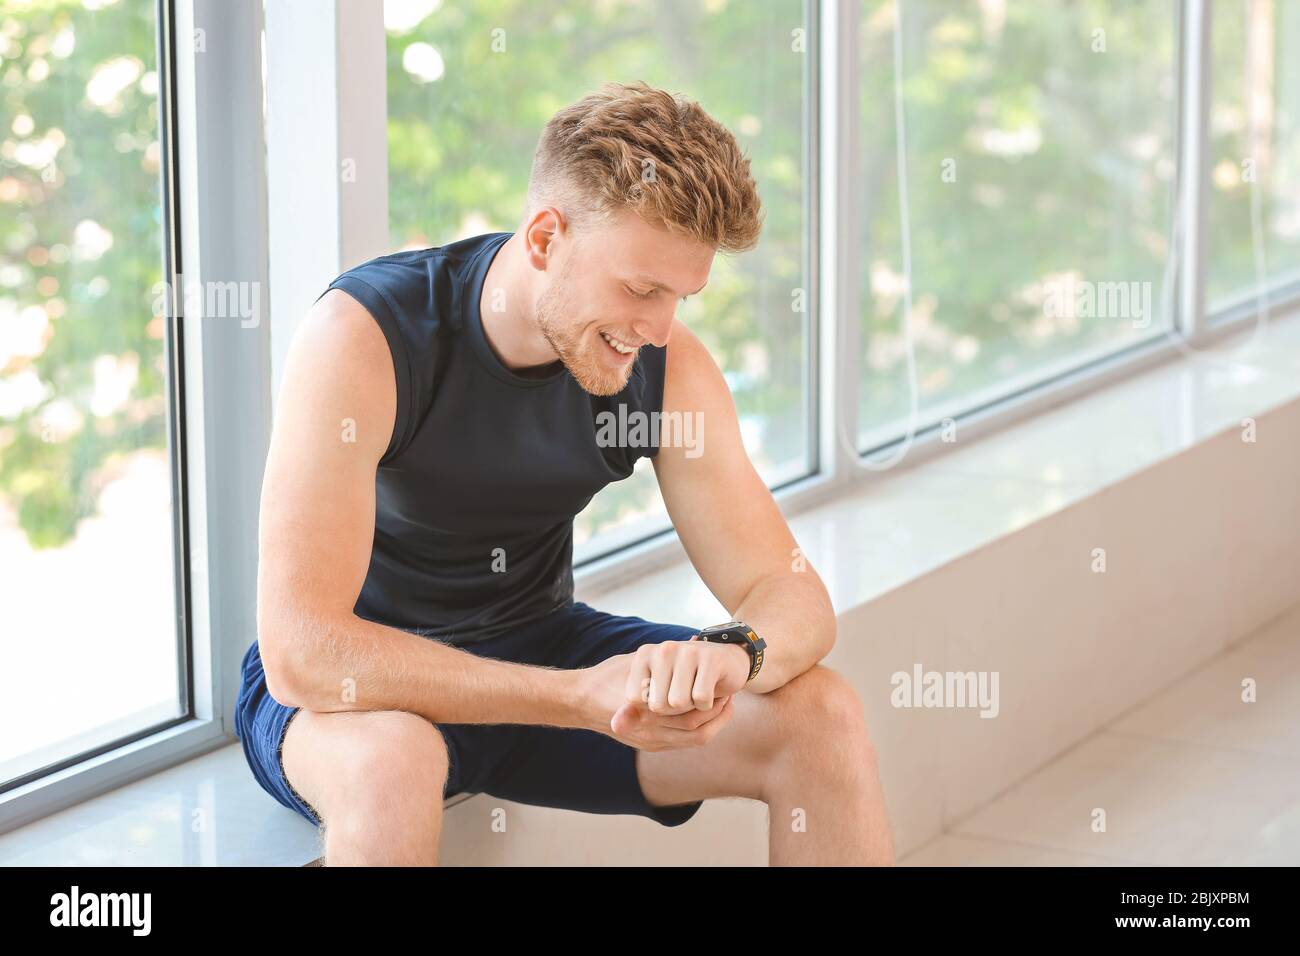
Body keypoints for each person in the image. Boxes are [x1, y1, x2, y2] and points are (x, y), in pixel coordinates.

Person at [234, 81, 894, 866]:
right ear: (545, 238)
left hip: (540, 655)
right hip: (367, 695)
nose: (657, 328)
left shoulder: (664, 367)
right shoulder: (365, 337)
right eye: (642, 288)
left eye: (680, 297)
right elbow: (304, 652)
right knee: (392, 763)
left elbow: (791, 594)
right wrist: (577, 698)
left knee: (821, 713)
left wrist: (733, 650)